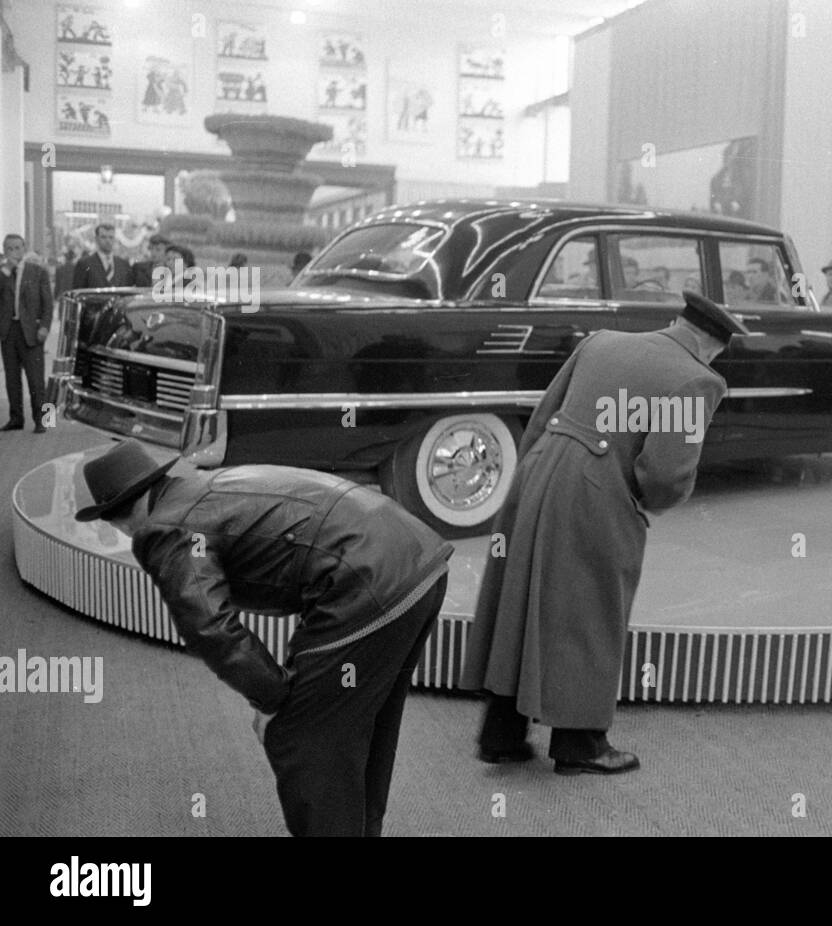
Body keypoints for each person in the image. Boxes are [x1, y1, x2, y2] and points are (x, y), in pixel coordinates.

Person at [75, 439, 453, 836]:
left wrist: (271, 699)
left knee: (302, 737)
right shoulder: (204, 485)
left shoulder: (162, 530)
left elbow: (211, 628)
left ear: (116, 517)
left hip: (367, 582)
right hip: (416, 558)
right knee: (366, 720)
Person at [463, 292, 748, 775]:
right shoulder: (696, 378)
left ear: (677, 322)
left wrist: (531, 474)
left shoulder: (602, 341)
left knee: (522, 595)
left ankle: (501, 734)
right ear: (713, 345)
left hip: (539, 469)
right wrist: (638, 504)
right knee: (590, 610)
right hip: (595, 492)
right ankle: (580, 744)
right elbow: (664, 473)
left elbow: (543, 412)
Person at [0, 234, 54, 433]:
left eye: (17, 248)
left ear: (24, 249)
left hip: (32, 331)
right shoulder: (2, 273)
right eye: (10, 248)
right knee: (12, 379)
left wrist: (45, 327)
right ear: (5, 251)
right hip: (9, 332)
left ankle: (45, 420)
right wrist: (5, 272)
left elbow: (48, 304)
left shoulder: (37, 272)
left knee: (37, 380)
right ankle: (16, 419)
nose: (14, 252)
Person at [71, 223, 132, 288]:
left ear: (114, 239)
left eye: (111, 237)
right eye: (103, 237)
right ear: (96, 239)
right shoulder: (85, 264)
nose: (108, 241)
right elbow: (78, 291)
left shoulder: (123, 264)